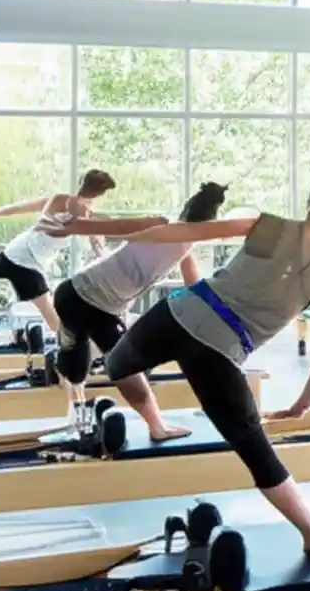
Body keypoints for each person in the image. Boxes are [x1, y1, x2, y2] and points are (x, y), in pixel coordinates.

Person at [101, 160, 310, 554]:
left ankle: (156, 422)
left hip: (178, 315)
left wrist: (101, 232)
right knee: (255, 451)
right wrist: (302, 403)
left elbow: (185, 232)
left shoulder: (267, 224)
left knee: (115, 364)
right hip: (218, 353)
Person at [41, 182, 229, 439]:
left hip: (74, 295)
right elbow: (116, 227)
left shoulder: (185, 246)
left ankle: (65, 358)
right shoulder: (161, 225)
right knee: (124, 364)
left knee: (79, 361)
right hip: (91, 301)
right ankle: (157, 427)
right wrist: (74, 226)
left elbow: (192, 281)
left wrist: (212, 307)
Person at [0, 170, 117, 333]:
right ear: (99, 194)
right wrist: (107, 258)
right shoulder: (84, 214)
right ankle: (68, 352)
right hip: (27, 262)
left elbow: (12, 210)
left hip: (18, 250)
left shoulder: (58, 199)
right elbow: (96, 242)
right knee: (52, 315)